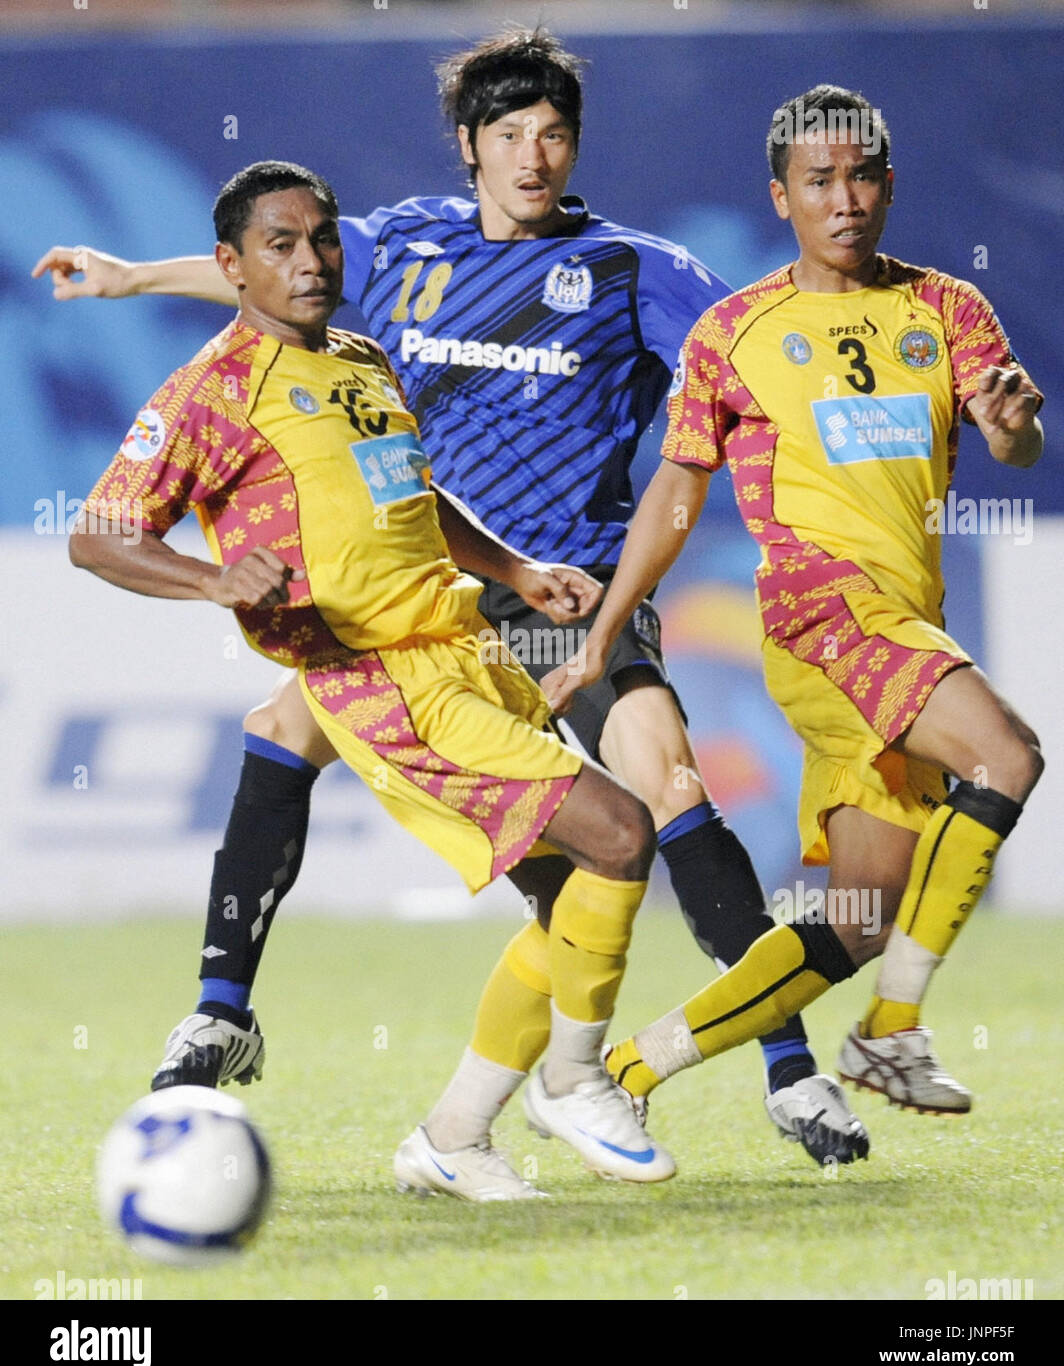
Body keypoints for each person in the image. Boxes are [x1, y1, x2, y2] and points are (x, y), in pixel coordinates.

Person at [35, 30, 868, 1167]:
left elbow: (748, 355)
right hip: (426, 600)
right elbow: (262, 262)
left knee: (666, 789)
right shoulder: (397, 246)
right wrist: (134, 277)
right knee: (285, 728)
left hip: (562, 587)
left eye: (555, 133)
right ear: (468, 144)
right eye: (511, 134)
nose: (536, 156)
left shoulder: (634, 267)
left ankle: (788, 1069)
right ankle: (226, 1010)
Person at [69, 158, 679, 1198]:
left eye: (323, 239)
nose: (310, 262)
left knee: (564, 901)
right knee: (619, 834)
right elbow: (99, 535)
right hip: (379, 679)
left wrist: (517, 569)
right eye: (280, 245)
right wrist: (214, 577)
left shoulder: (360, 356)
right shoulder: (216, 390)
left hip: (462, 648)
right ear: (231, 264)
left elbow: (418, 497)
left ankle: (452, 1134)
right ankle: (572, 1079)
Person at [542, 84, 1044, 1119]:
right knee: (1006, 755)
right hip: (820, 615)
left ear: (887, 185)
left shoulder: (947, 309)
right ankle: (891, 1033)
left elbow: (1012, 434)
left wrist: (1010, 428)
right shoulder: (733, 333)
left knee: (857, 920)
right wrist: (601, 636)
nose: (844, 198)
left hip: (902, 618)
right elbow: (674, 493)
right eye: (818, 180)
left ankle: (627, 1070)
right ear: (781, 196)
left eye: (861, 176)